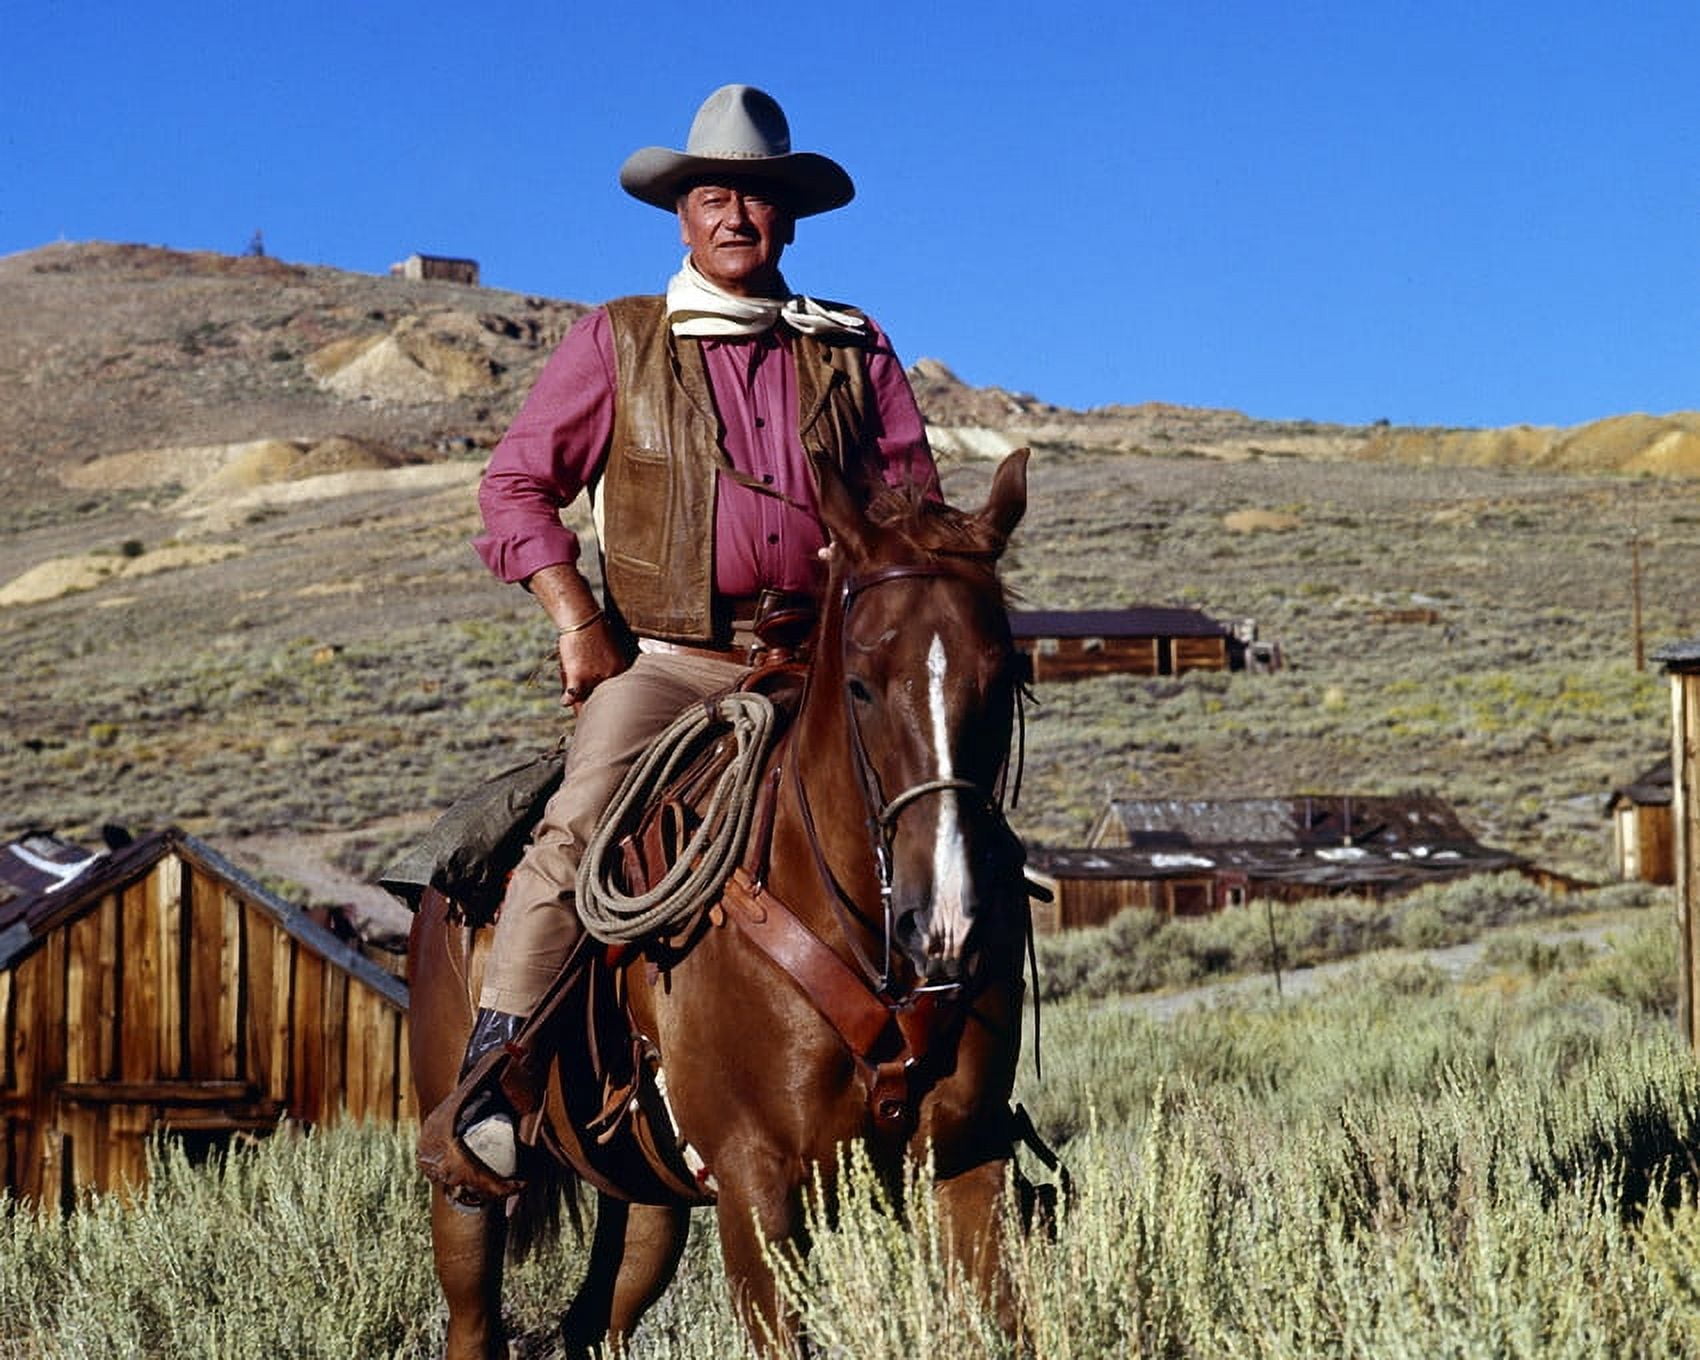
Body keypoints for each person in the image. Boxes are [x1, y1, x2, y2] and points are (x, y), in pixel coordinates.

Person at [428, 83, 939, 1196]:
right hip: (671, 660)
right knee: (576, 826)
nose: (735, 217)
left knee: (937, 817)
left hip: (822, 666)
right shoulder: (618, 341)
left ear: (789, 218)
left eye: (756, 198)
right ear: (681, 217)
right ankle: (495, 1079)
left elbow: (908, 508)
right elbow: (514, 489)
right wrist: (578, 619)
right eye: (714, 197)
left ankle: (964, 1079)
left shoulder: (852, 351)